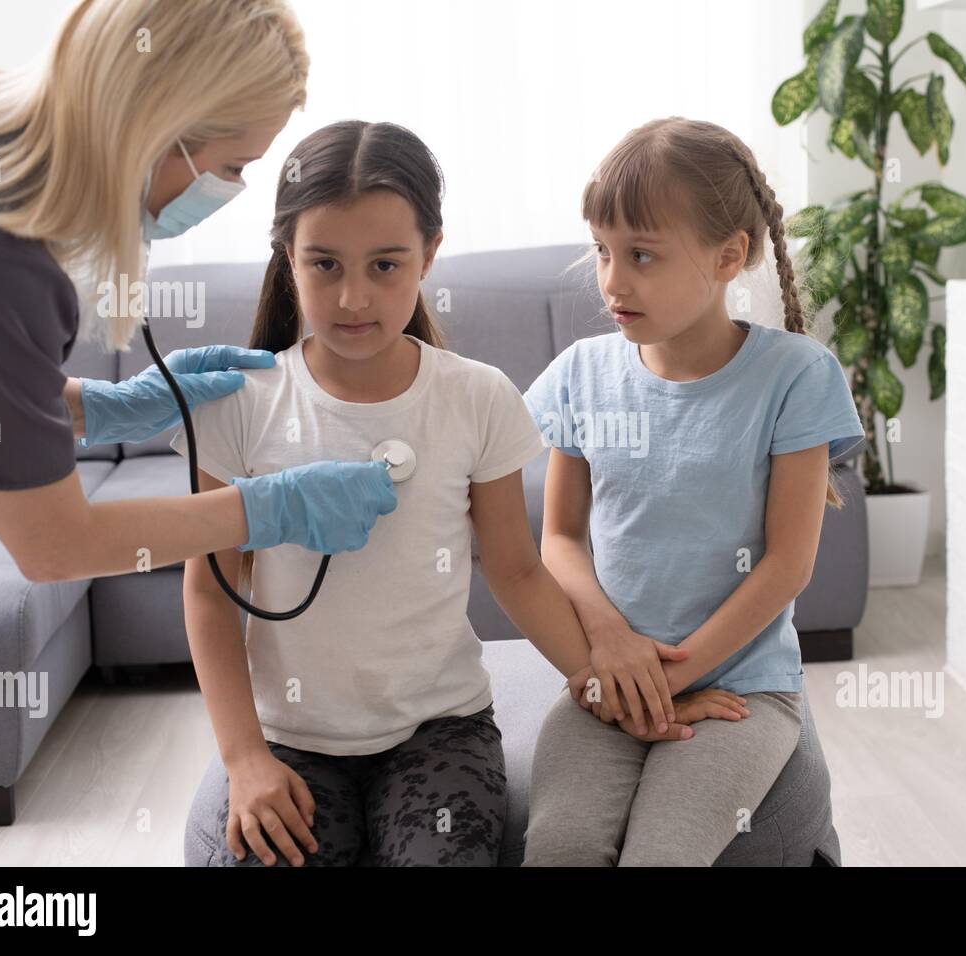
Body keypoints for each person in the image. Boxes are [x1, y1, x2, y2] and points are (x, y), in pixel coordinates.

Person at [174, 121, 625, 866]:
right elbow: (211, 590)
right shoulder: (237, 403)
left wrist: (605, 688)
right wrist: (244, 758)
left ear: (430, 255)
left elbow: (516, 570)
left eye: (386, 265)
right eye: (324, 264)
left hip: (439, 731)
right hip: (291, 738)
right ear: (287, 256)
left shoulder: (476, 398)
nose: (354, 297)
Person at [0, 0, 395, 586]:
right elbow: (53, 546)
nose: (232, 188)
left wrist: (105, 407)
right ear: (157, 126)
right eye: (233, 166)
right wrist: (268, 508)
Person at [521, 117, 865, 866]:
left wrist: (673, 676)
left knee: (664, 856)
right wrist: (612, 649)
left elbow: (786, 564)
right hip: (606, 677)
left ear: (729, 255)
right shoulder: (582, 373)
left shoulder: (796, 377)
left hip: (740, 686)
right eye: (604, 251)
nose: (613, 280)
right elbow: (560, 538)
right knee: (558, 847)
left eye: (641, 255)